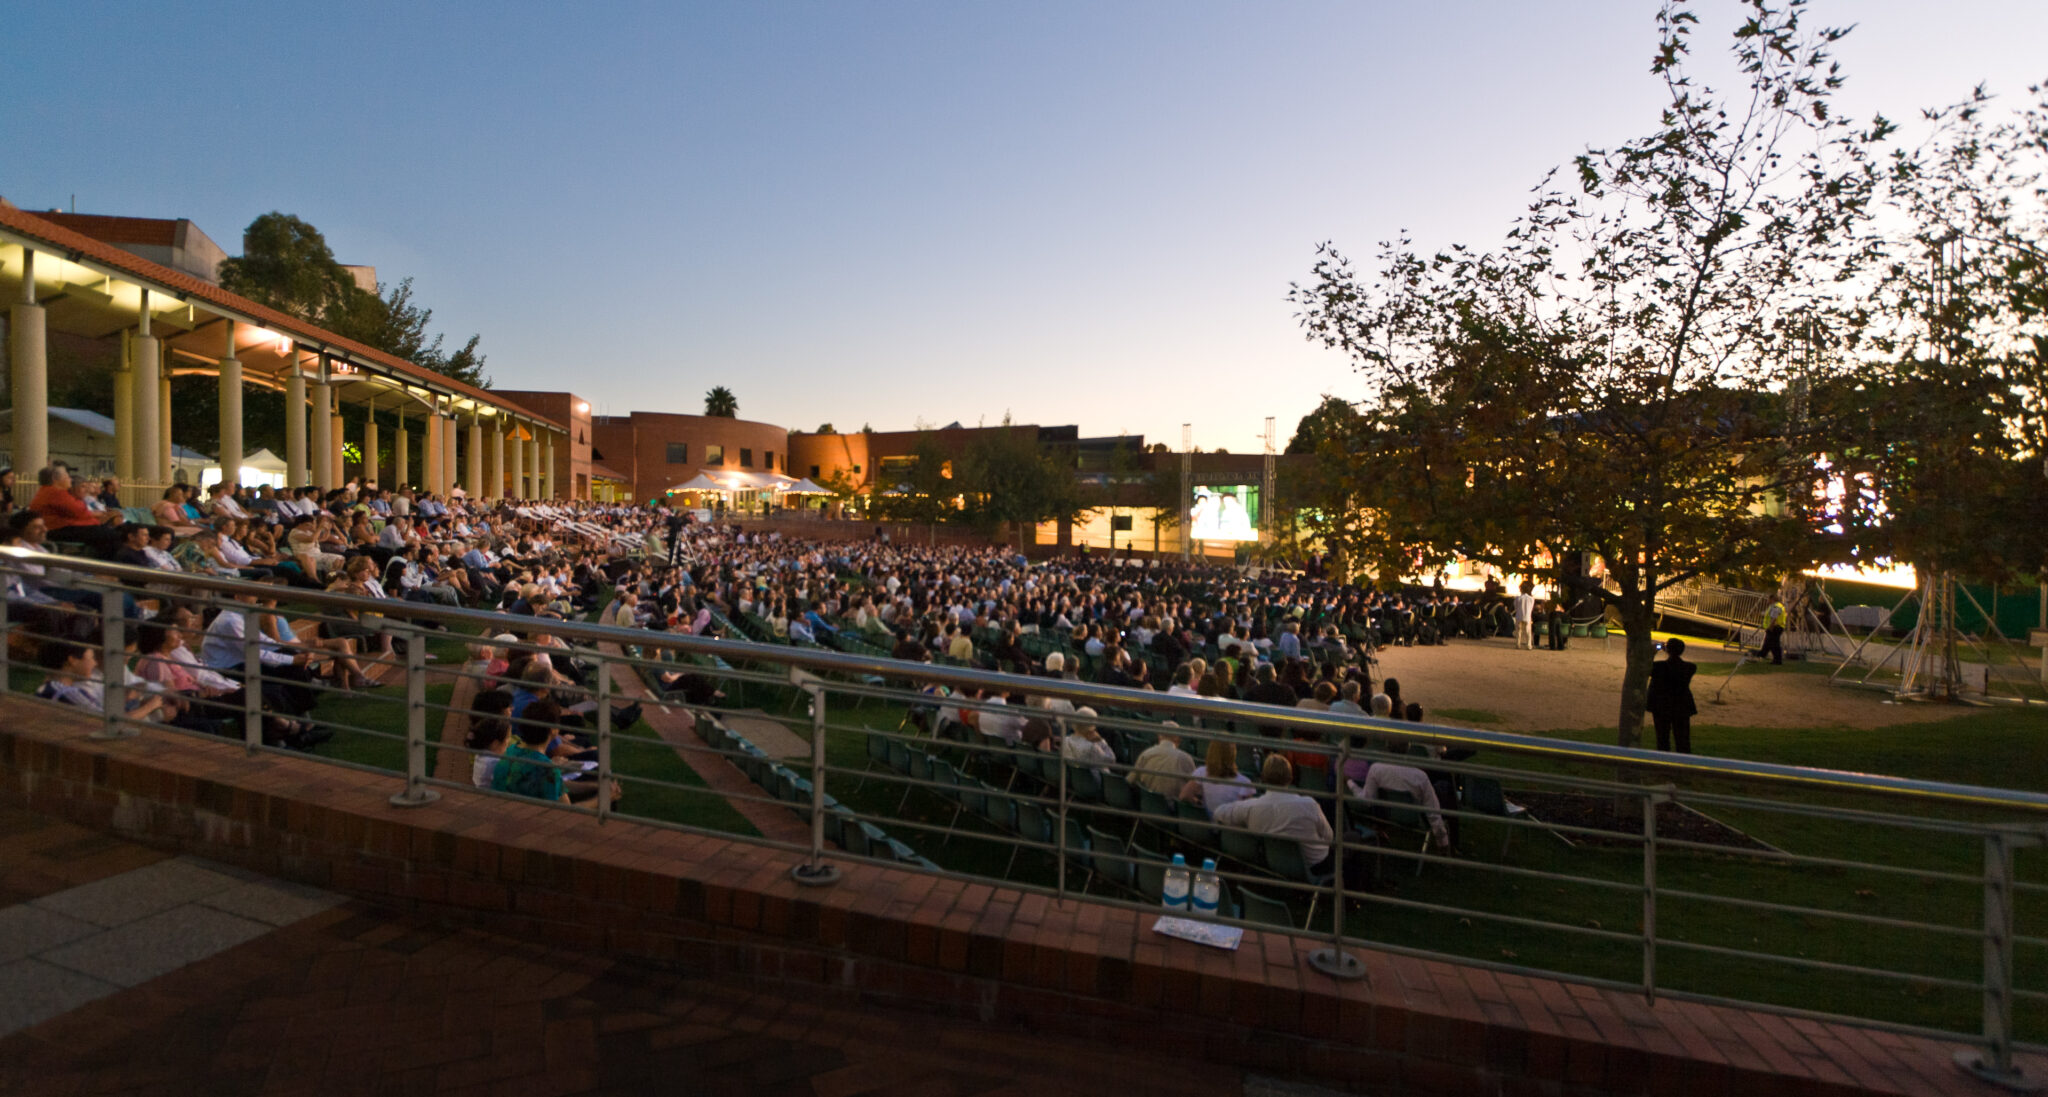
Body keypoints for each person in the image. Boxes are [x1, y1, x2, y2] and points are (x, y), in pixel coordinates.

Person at [1646, 637, 1698, 754]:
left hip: (1661, 706)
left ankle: (1664, 765)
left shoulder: (1658, 667)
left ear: (1667, 649)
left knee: (1662, 738)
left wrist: (1653, 652)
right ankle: (1683, 765)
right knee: (1682, 739)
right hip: (1681, 706)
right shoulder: (1690, 667)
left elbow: (1645, 667)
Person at [1130, 726, 1196, 797]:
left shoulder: (1146, 753)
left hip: (1147, 804)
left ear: (1159, 737)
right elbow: (1196, 787)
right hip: (1172, 805)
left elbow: (1131, 780)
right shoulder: (1185, 758)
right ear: (1178, 739)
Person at [1761, 597, 1786, 666]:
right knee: (1774, 644)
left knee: (1773, 644)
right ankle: (1776, 659)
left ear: (1772, 599)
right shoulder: (1777, 606)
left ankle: (1775, 659)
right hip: (1777, 627)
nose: (1767, 601)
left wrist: (1770, 628)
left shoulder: (1776, 607)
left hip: (1775, 627)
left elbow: (1774, 618)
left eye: (1768, 599)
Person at [1512, 581, 1536, 651]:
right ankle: (1529, 645)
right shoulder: (1531, 598)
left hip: (1519, 616)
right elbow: (1531, 608)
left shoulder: (1518, 598)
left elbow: (1515, 607)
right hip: (1527, 616)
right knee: (1528, 632)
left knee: (1518, 631)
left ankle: (1518, 644)